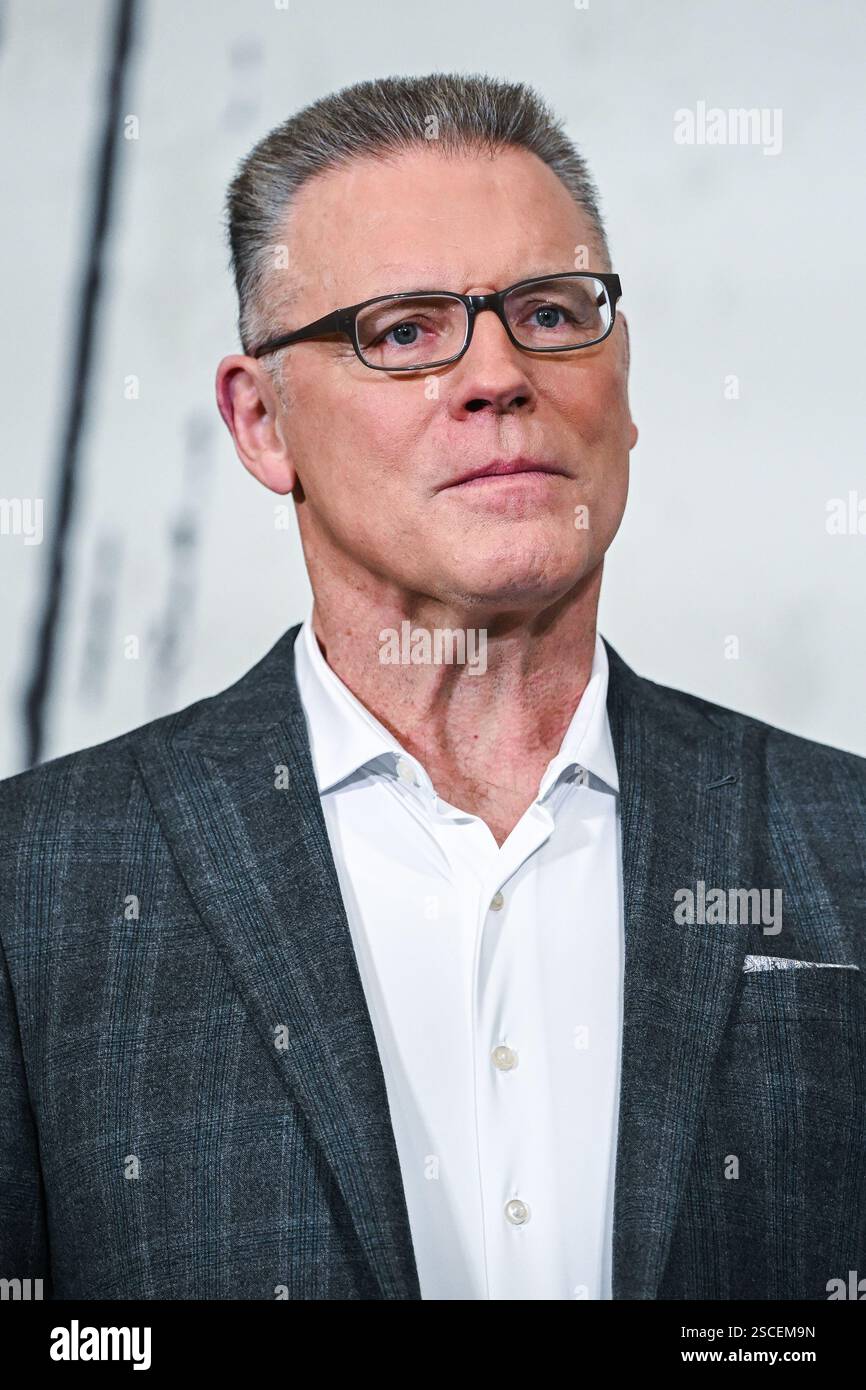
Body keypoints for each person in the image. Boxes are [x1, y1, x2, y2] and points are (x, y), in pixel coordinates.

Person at [1, 72, 863, 1302]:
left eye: (553, 314)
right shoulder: (35, 885)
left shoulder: (844, 840)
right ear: (260, 425)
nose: (499, 373)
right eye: (402, 331)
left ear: (623, 387)